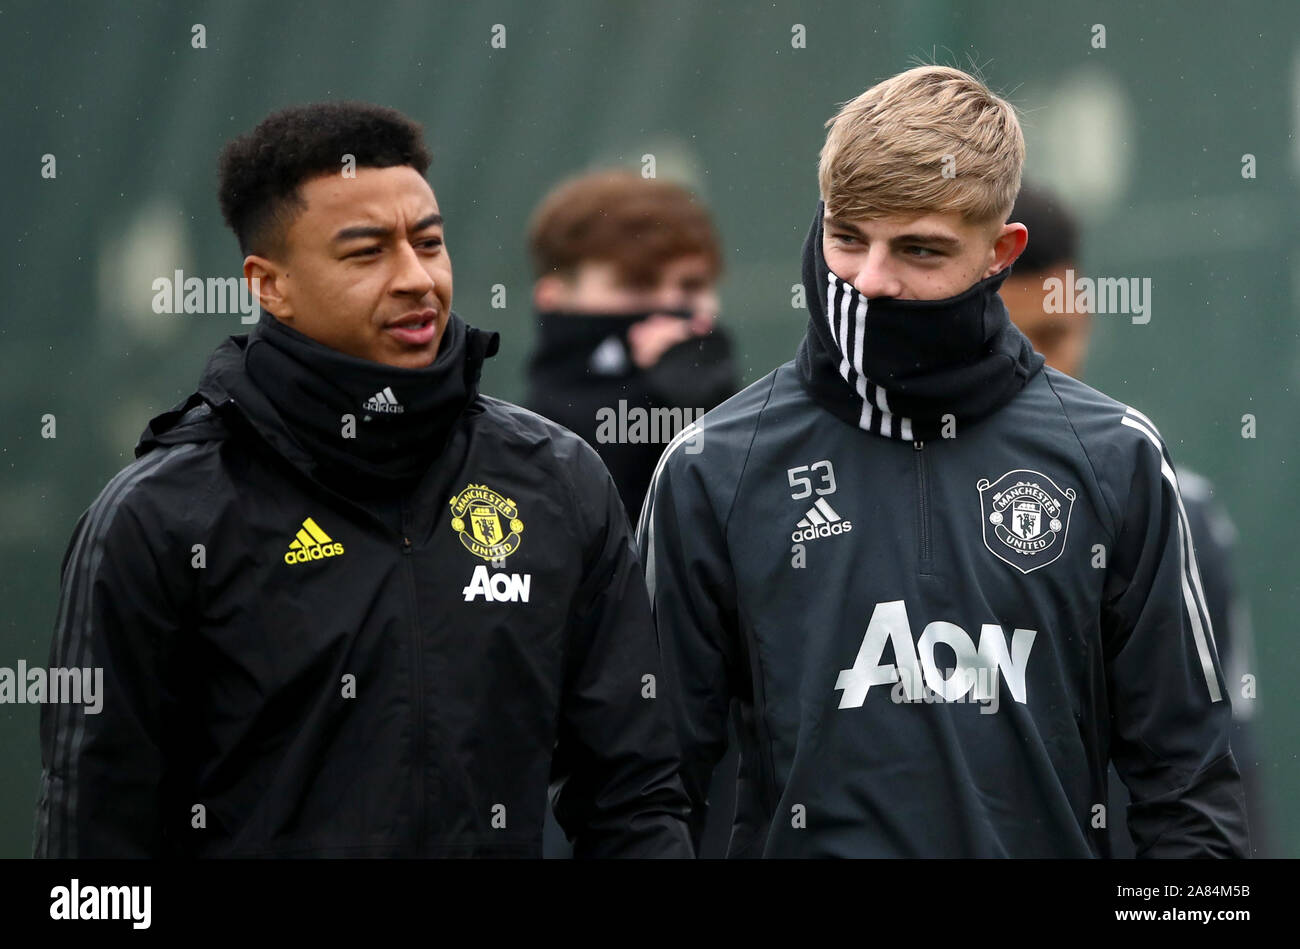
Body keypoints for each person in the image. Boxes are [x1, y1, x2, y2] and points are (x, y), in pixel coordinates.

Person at [34, 101, 691, 858]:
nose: (416, 279)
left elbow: (634, 797)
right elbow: (90, 856)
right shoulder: (157, 519)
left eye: (429, 243)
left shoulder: (557, 479)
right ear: (268, 285)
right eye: (366, 252)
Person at [637, 66, 1250, 857]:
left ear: (1001, 252)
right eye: (847, 238)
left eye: (920, 249)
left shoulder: (1117, 458)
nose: (871, 281)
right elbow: (641, 794)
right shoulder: (710, 470)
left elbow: (1191, 792)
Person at [1003, 183, 1269, 856]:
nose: (1043, 371)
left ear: (1086, 313)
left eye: (1054, 335)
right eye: (1014, 344)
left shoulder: (1177, 512)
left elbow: (1218, 780)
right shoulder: (898, 514)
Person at [525, 170, 738, 522]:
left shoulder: (751, 418)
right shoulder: (514, 447)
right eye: (637, 284)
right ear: (554, 299)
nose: (670, 308)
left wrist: (714, 415)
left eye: (690, 286)